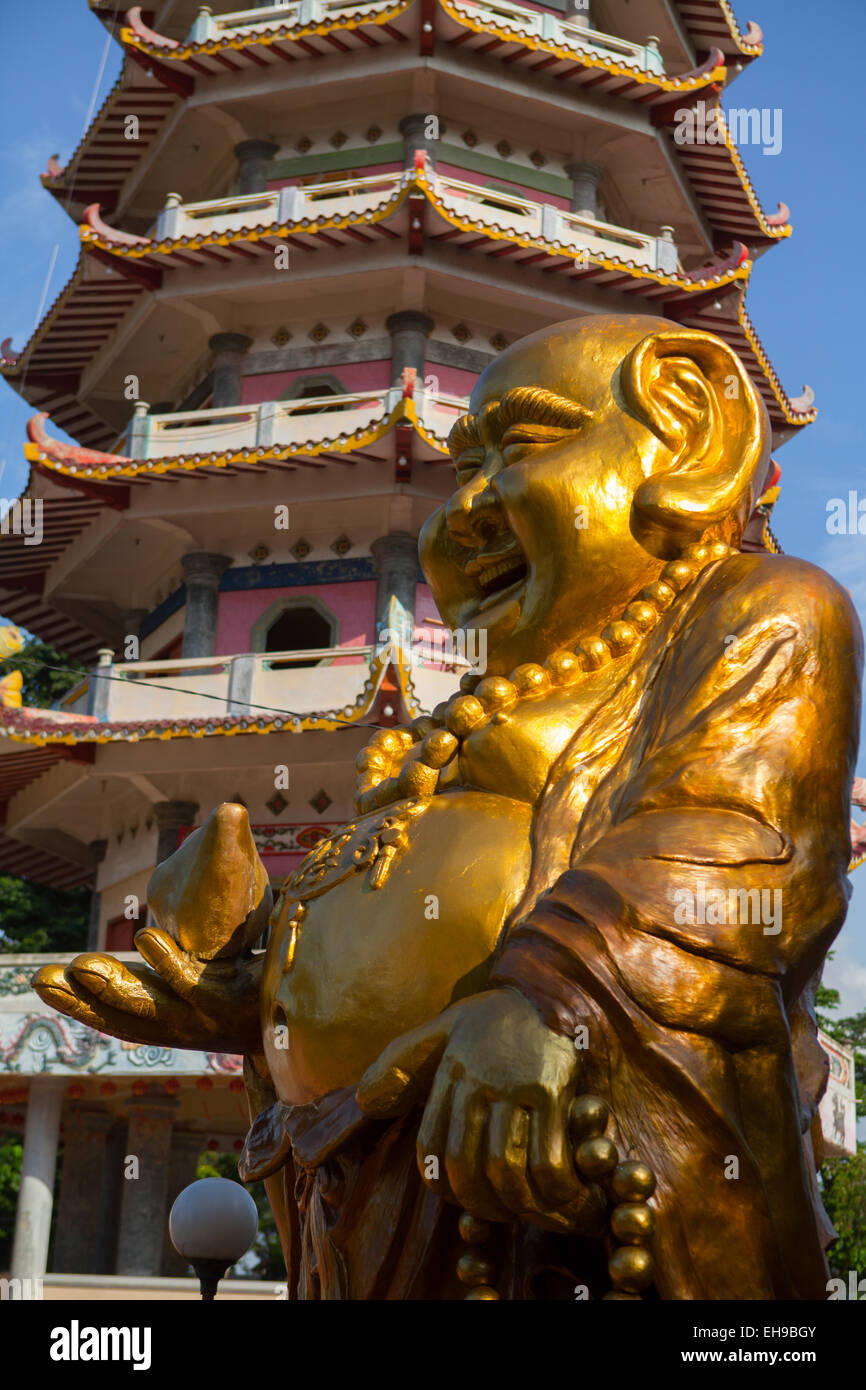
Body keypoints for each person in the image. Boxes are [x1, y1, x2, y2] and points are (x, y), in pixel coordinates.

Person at [36, 314, 862, 1299]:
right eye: (455, 469)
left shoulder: (763, 608)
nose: (463, 510)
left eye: (515, 447)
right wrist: (261, 994)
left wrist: (552, 999)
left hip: (587, 1182)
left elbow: (737, 840)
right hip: (375, 1189)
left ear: (683, 432)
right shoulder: (465, 712)